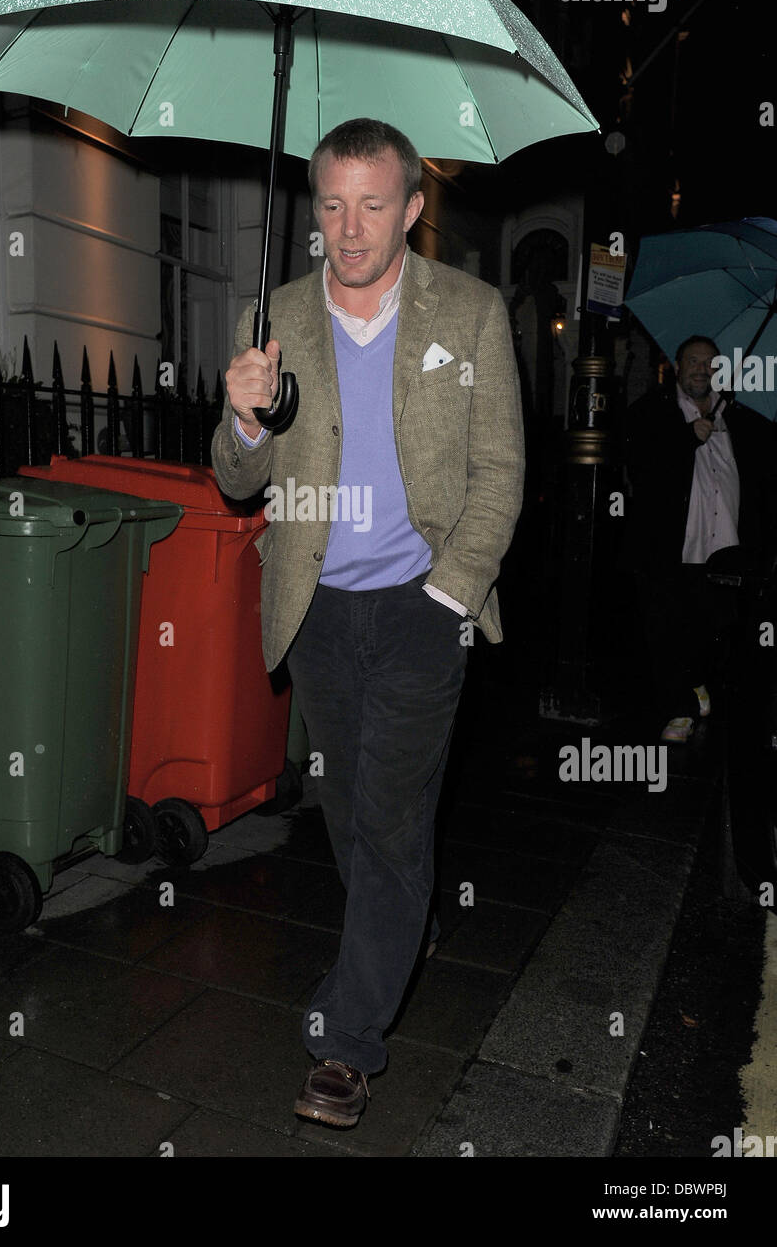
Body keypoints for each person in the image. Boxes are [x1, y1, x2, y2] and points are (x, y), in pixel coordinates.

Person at [210, 119, 525, 1128]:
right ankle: (403, 919)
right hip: (317, 610)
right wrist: (246, 416)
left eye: (373, 204)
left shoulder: (471, 314)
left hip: (423, 605)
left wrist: (449, 593)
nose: (351, 229)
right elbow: (236, 478)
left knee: (389, 815)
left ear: (413, 208)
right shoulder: (275, 316)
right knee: (349, 808)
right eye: (334, 204)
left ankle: (346, 1041)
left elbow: (500, 473)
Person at [623, 334, 777, 742]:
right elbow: (640, 467)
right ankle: (679, 709)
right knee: (668, 630)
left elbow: (760, 477)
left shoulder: (737, 417)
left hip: (726, 551)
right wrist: (688, 437)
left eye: (709, 362)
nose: (700, 369)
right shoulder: (652, 411)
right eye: (692, 361)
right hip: (673, 548)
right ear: (678, 366)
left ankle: (695, 682)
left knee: (716, 627)